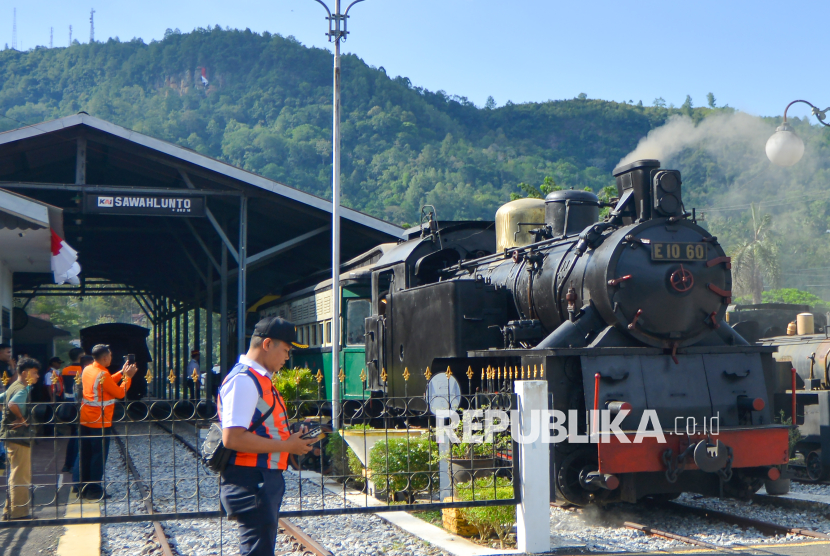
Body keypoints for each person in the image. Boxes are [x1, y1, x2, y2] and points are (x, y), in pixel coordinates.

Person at [219, 316, 314, 556]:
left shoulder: (256, 379)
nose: (287, 357)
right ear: (268, 344)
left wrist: (294, 435)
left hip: (259, 478)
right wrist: (286, 446)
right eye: (286, 350)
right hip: (252, 480)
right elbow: (232, 438)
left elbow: (260, 425)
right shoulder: (244, 380)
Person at [77, 344, 137, 499]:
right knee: (98, 457)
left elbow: (107, 382)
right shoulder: (102, 373)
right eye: (110, 355)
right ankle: (94, 490)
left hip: (86, 419)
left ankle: (83, 487)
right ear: (104, 358)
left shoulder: (88, 369)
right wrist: (128, 377)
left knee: (86, 454)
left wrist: (121, 373)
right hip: (100, 420)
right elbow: (119, 393)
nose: (111, 357)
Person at [0, 357, 39, 520]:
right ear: (25, 373)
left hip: (10, 435)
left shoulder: (13, 386)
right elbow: (12, 404)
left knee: (15, 473)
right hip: (19, 436)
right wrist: (21, 419)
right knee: (21, 475)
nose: (37, 376)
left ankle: (9, 510)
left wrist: (7, 418)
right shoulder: (22, 389)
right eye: (34, 373)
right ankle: (19, 513)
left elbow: (3, 400)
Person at [60, 350, 85, 473]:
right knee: (79, 435)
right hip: (80, 404)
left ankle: (67, 464)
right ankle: (75, 464)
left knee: (73, 433)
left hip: (68, 404)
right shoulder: (84, 370)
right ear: (81, 356)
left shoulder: (65, 370)